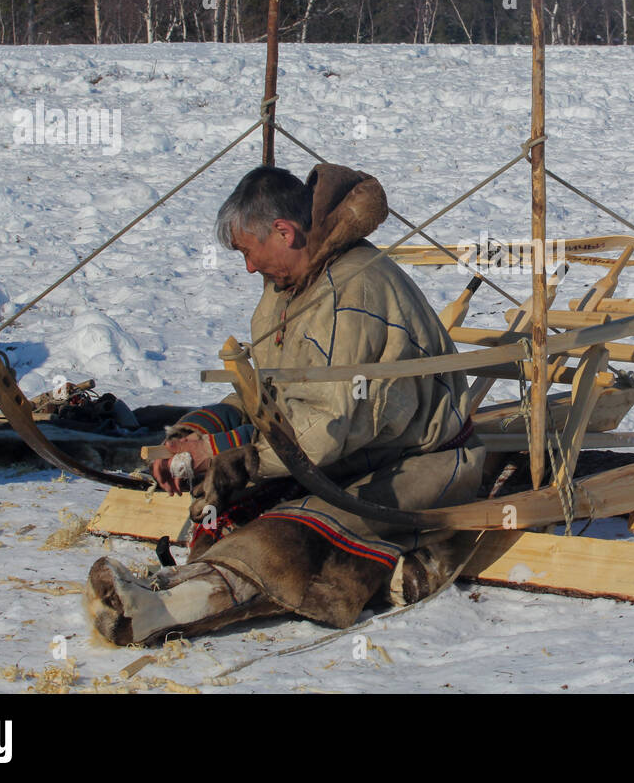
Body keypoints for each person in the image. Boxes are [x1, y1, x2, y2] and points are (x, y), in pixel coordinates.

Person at [86, 164, 484, 645]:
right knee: (230, 506)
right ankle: (169, 587)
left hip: (417, 463)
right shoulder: (291, 287)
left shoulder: (348, 293)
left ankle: (161, 610)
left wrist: (231, 454)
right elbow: (269, 395)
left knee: (291, 537)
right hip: (343, 455)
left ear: (283, 231)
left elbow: (325, 426)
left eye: (248, 252)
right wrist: (198, 434)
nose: (249, 267)